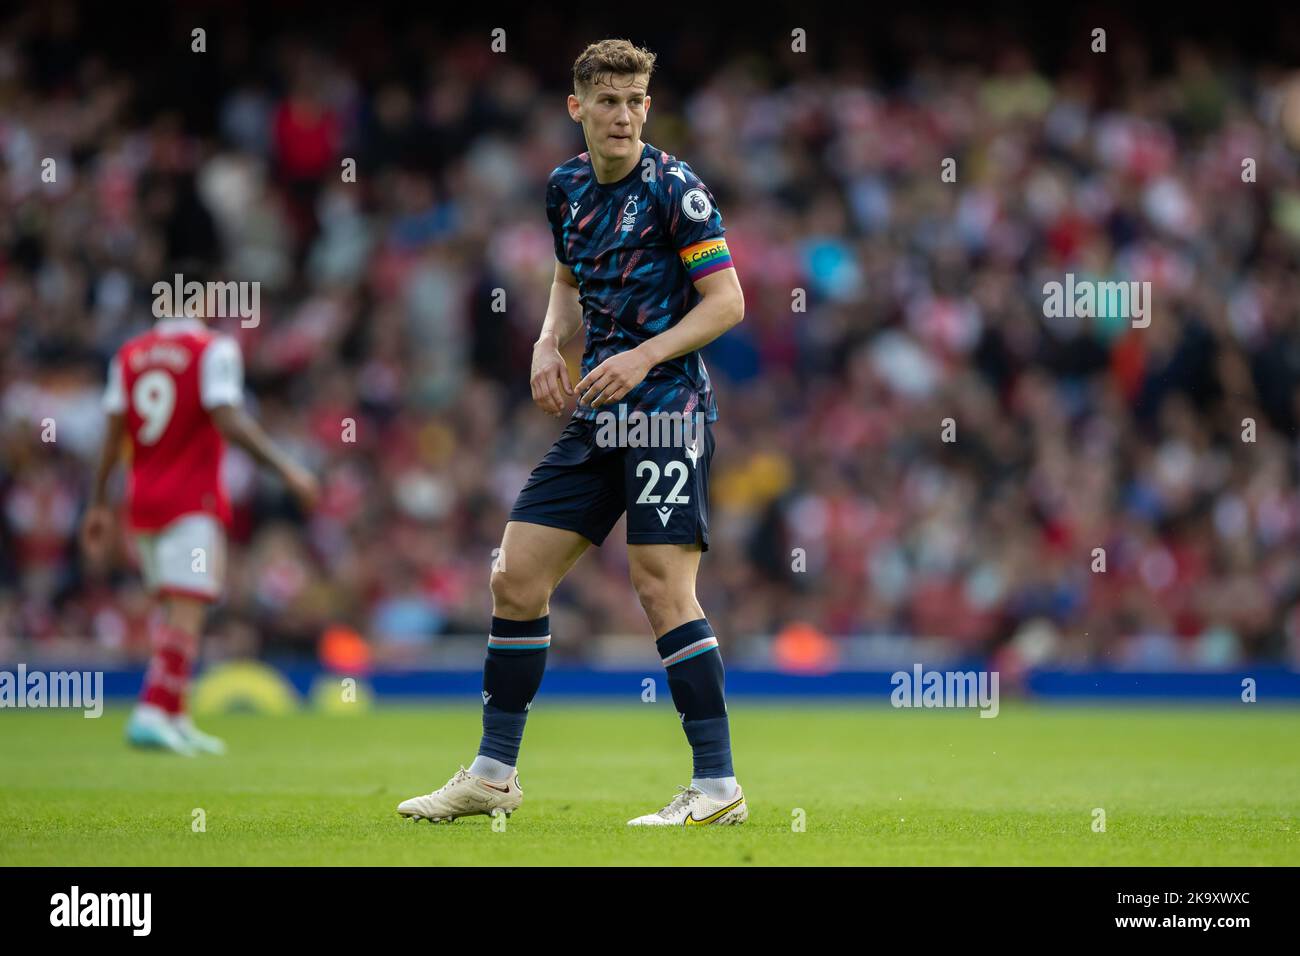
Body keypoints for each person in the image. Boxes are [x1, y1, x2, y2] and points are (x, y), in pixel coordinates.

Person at [398, 38, 747, 826]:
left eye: (635, 102)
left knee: (661, 586)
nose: (623, 115)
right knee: (515, 577)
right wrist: (547, 340)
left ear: (646, 108)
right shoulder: (565, 189)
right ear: (577, 108)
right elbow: (567, 277)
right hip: (600, 414)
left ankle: (718, 788)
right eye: (609, 102)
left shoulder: (675, 188)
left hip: (665, 411)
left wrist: (643, 358)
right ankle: (492, 774)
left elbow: (727, 302)